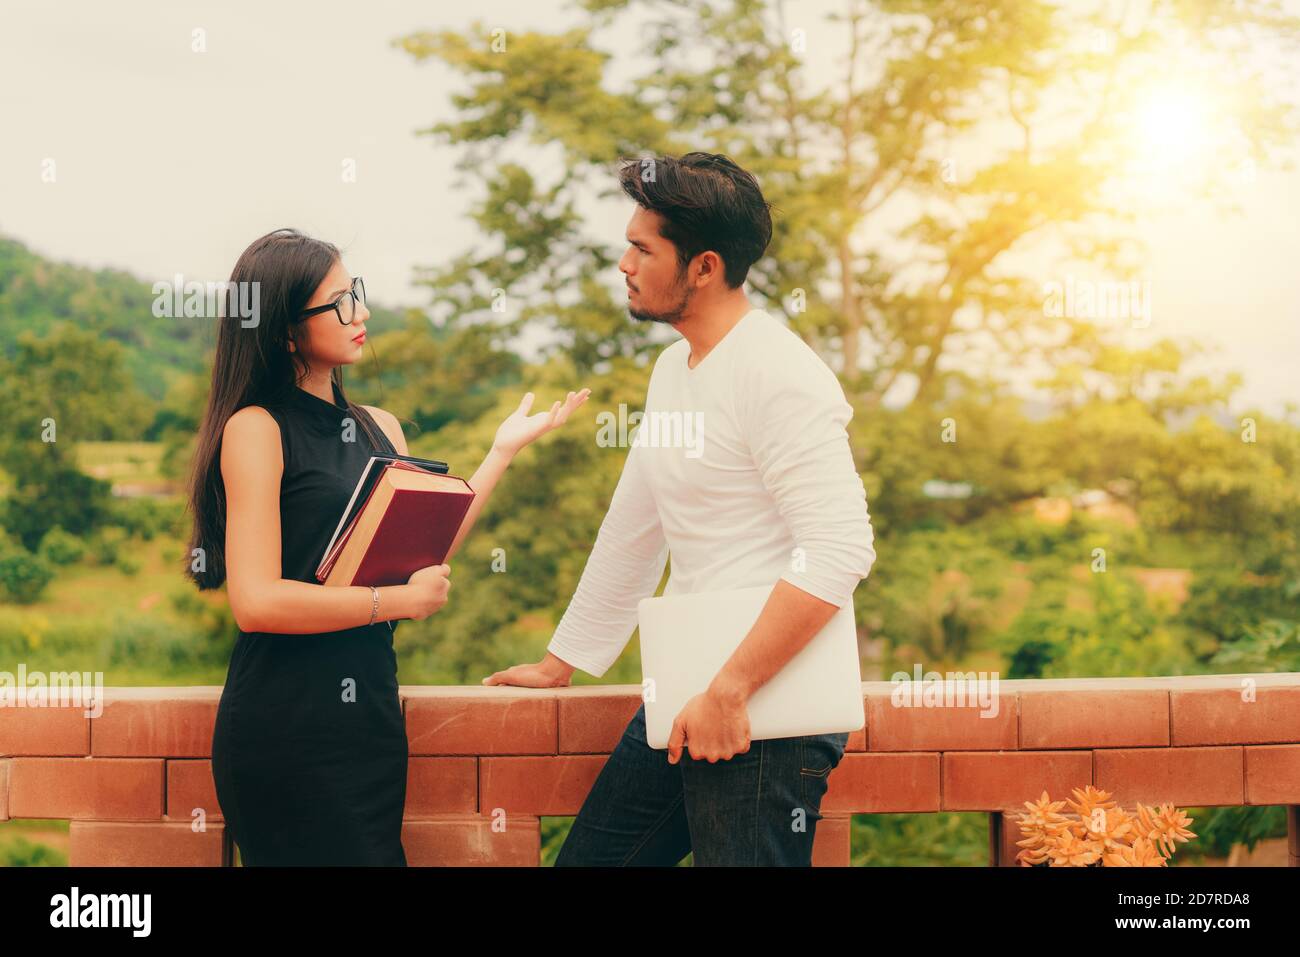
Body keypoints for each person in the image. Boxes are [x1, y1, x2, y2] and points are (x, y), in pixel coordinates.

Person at [484, 153, 877, 866]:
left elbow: (840, 545)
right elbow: (636, 524)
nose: (624, 263)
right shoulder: (674, 369)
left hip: (765, 712)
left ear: (703, 267)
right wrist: (560, 662)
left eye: (643, 248)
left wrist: (731, 689)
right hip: (688, 690)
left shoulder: (777, 372)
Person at [184, 227, 588, 865]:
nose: (362, 313)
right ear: (287, 328)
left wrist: (501, 451)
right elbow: (256, 602)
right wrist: (394, 600)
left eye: (358, 293)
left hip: (367, 714)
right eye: (340, 302)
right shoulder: (255, 429)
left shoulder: (380, 427)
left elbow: (432, 538)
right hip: (284, 725)